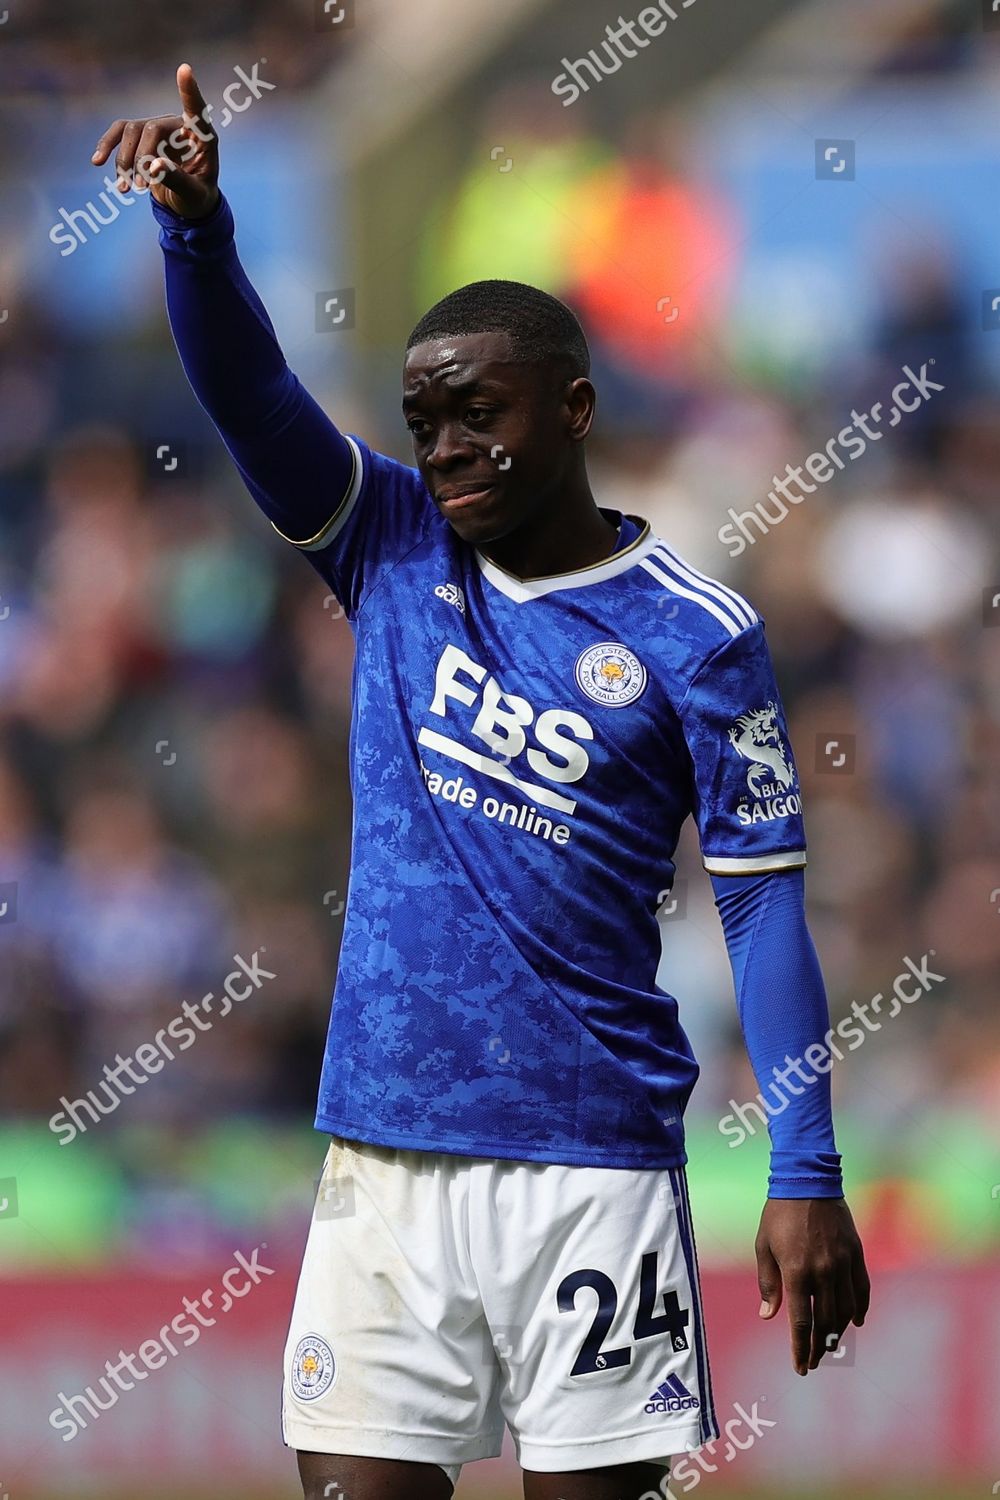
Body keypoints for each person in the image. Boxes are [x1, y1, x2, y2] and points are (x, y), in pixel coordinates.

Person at [92, 64, 870, 1500]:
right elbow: (253, 400)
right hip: (381, 1160)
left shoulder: (699, 636)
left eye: (478, 413)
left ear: (573, 408)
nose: (445, 447)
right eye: (422, 418)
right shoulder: (386, 543)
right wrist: (196, 232)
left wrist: (805, 1170)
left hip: (592, 1168)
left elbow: (763, 909)